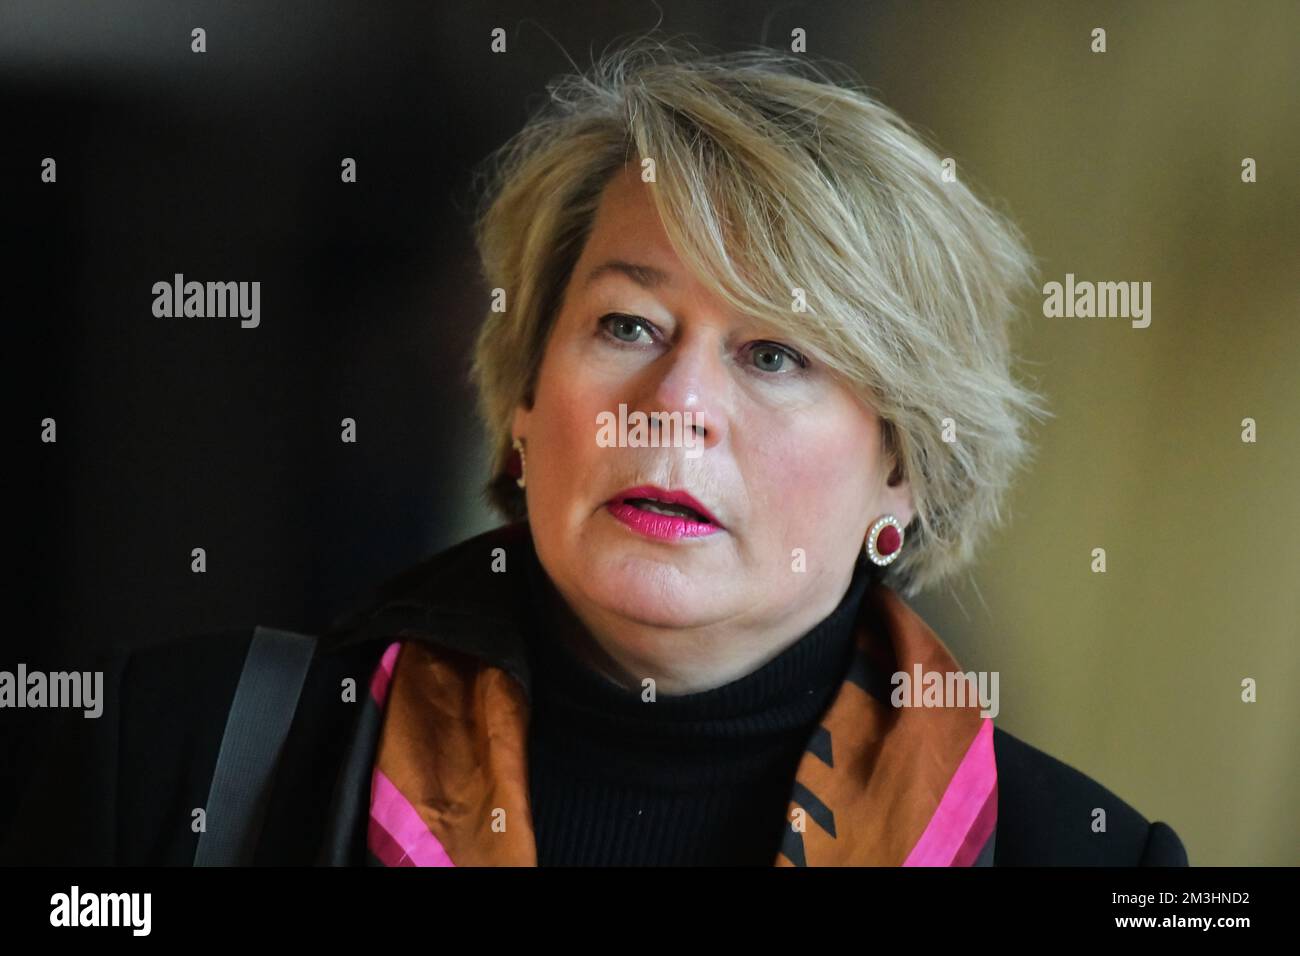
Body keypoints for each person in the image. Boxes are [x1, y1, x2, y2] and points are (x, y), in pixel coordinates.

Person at [2, 38, 1188, 867]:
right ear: (523, 399)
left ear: (904, 469)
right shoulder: (172, 761)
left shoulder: (1090, 858)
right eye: (627, 323)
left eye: (775, 354)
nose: (673, 403)